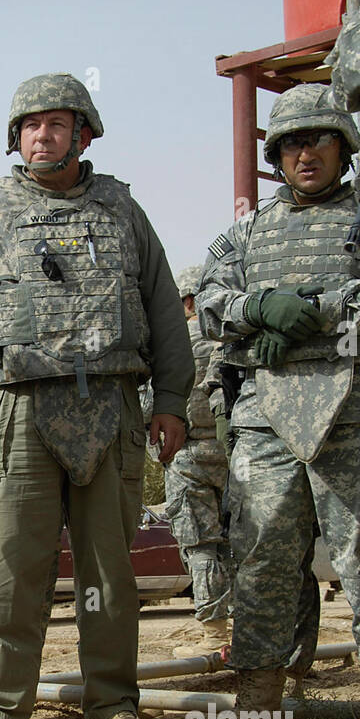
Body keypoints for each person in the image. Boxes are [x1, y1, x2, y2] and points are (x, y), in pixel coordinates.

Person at [0, 73, 193, 719]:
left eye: (55, 124)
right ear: (14, 138)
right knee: (5, 573)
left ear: (83, 134)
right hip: (11, 413)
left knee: (109, 574)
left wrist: (170, 402)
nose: (40, 136)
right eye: (29, 126)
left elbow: (164, 311)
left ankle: (112, 703)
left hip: (108, 410)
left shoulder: (121, 211)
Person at [197, 82, 360, 719]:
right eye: (292, 142)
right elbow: (211, 301)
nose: (305, 153)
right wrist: (257, 309)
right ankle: (257, 704)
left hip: (354, 410)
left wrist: (309, 311)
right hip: (265, 418)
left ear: (343, 147)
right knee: (262, 560)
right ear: (275, 153)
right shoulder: (245, 234)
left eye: (319, 139)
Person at [164, 267, 232, 658]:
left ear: (187, 301)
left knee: (202, 546)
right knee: (242, 543)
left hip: (187, 455)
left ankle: (214, 634)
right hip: (232, 453)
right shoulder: (228, 337)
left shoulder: (174, 344)